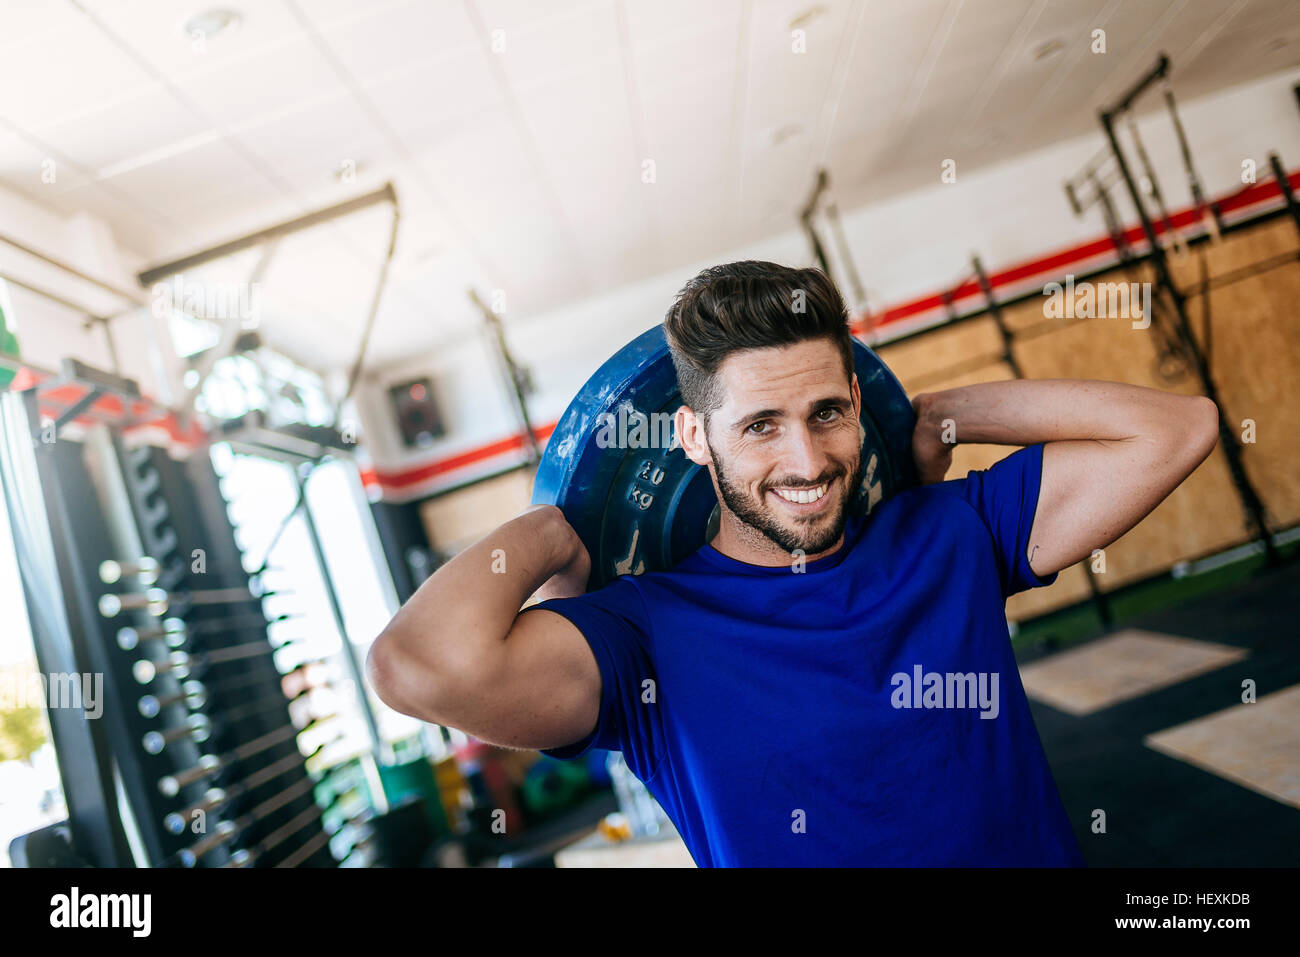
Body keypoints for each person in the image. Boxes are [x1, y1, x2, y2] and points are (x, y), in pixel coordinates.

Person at [367, 261, 1220, 866]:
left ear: (858, 403)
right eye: (760, 424)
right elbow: (414, 664)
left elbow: (1179, 429)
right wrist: (558, 525)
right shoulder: (642, 638)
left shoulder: (954, 533)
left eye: (826, 412)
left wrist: (946, 414)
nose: (808, 460)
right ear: (694, 437)